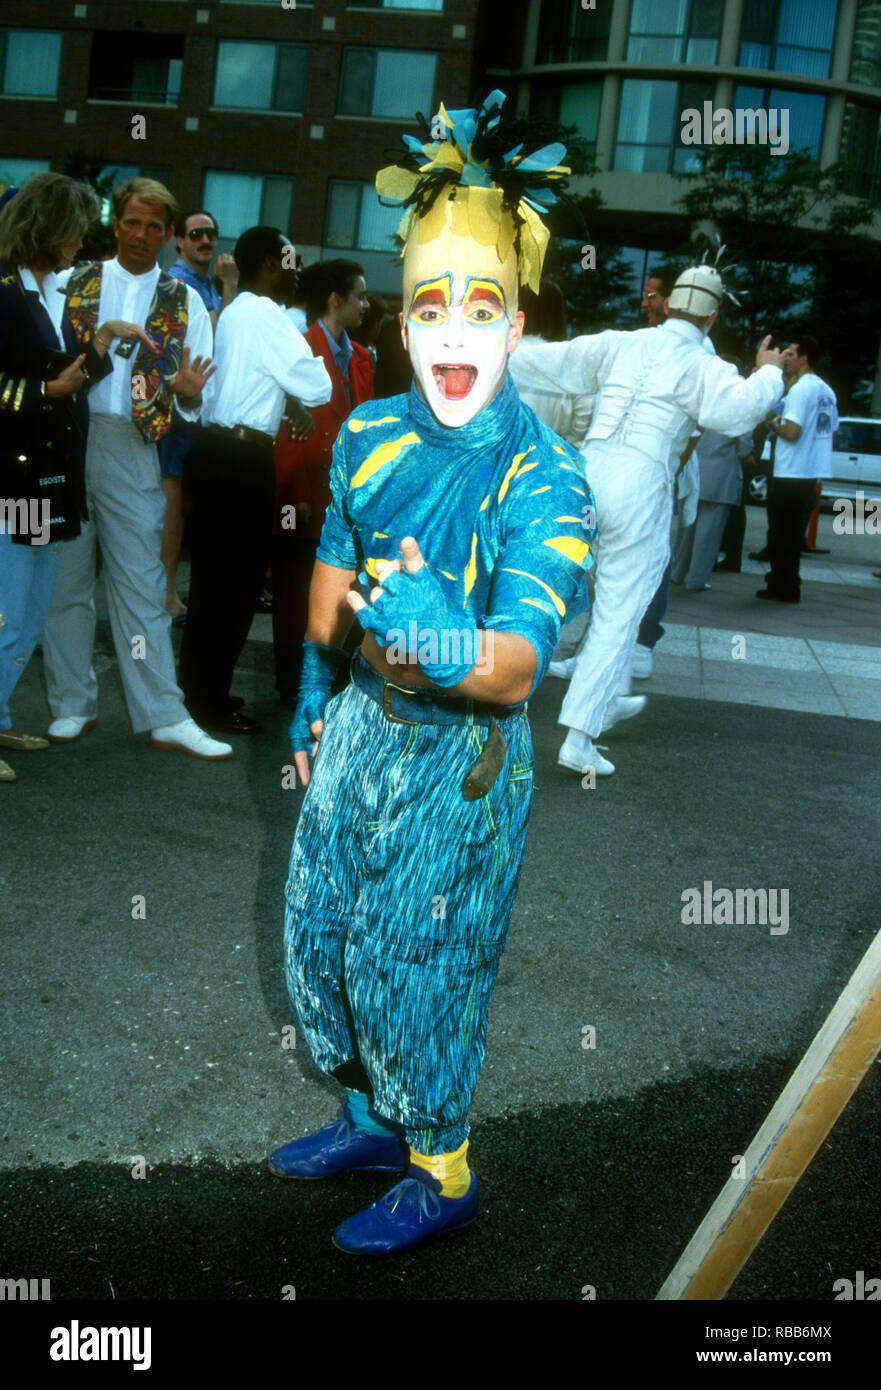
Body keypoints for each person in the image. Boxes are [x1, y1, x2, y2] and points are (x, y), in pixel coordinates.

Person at [268, 91, 595, 1254]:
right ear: (403, 323)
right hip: (360, 723)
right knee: (318, 936)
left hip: (461, 760)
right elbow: (331, 559)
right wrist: (314, 686)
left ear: (515, 325)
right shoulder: (366, 433)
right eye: (429, 306)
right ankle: (369, 1117)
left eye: (482, 306)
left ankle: (441, 1165)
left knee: (417, 959)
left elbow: (511, 671)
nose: (453, 332)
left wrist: (444, 640)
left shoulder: (547, 478)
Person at [512, 262, 785, 776]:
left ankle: (497, 697)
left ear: (673, 303)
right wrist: (769, 368)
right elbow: (738, 412)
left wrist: (483, 346)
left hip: (586, 472)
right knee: (619, 610)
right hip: (640, 483)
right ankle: (580, 734)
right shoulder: (704, 364)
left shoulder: (623, 342)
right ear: (713, 316)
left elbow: (551, 362)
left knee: (542, 589)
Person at [42, 176, 232, 760]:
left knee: (142, 584)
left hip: (133, 445)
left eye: (155, 226)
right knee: (65, 582)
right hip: (67, 441)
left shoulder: (186, 299)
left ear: (168, 236)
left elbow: (198, 401)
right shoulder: (73, 282)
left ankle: (162, 713)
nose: (141, 235)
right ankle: (71, 703)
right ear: (116, 224)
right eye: (132, 222)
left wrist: (192, 394)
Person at [0, 173, 155, 782]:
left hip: (45, 479)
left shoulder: (40, 291)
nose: (80, 238)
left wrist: (101, 343)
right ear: (46, 226)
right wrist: (45, 390)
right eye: (74, 227)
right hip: (15, 481)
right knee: (10, 606)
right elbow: (40, 385)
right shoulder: (6, 292)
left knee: (31, 609)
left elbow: (68, 377)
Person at [179, 226, 332, 734]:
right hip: (244, 458)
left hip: (218, 451)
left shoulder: (236, 310)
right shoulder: (267, 315)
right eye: (291, 259)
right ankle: (211, 703)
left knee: (212, 586)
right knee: (237, 587)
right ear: (269, 264)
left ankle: (201, 693)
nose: (297, 268)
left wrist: (283, 392)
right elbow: (318, 383)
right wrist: (294, 386)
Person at [271, 259, 373, 703]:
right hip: (303, 495)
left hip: (345, 499)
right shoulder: (297, 346)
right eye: (361, 296)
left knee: (345, 586)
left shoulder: (363, 356)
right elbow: (286, 425)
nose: (367, 305)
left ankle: (333, 678)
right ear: (336, 300)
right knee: (295, 587)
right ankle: (292, 682)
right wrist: (295, 495)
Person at [160, 208, 240, 622]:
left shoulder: (204, 283)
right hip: (178, 410)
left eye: (211, 234)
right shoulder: (179, 283)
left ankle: (170, 591)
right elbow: (220, 336)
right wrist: (230, 287)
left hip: (198, 409)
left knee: (180, 505)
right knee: (170, 505)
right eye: (195, 235)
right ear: (179, 240)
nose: (205, 241)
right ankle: (167, 594)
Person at [759, 335, 838, 603]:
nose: (785, 358)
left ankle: (782, 587)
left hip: (790, 470)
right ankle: (789, 583)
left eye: (791, 354)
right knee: (793, 534)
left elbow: (792, 432)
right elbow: (830, 429)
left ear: (804, 359)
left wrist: (772, 421)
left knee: (781, 533)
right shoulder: (825, 390)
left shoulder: (801, 390)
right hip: (809, 470)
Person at [671, 424, 754, 590]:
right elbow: (744, 447)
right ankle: (697, 580)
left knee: (687, 529)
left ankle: (677, 573)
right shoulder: (739, 410)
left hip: (693, 470)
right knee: (709, 534)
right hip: (720, 474)